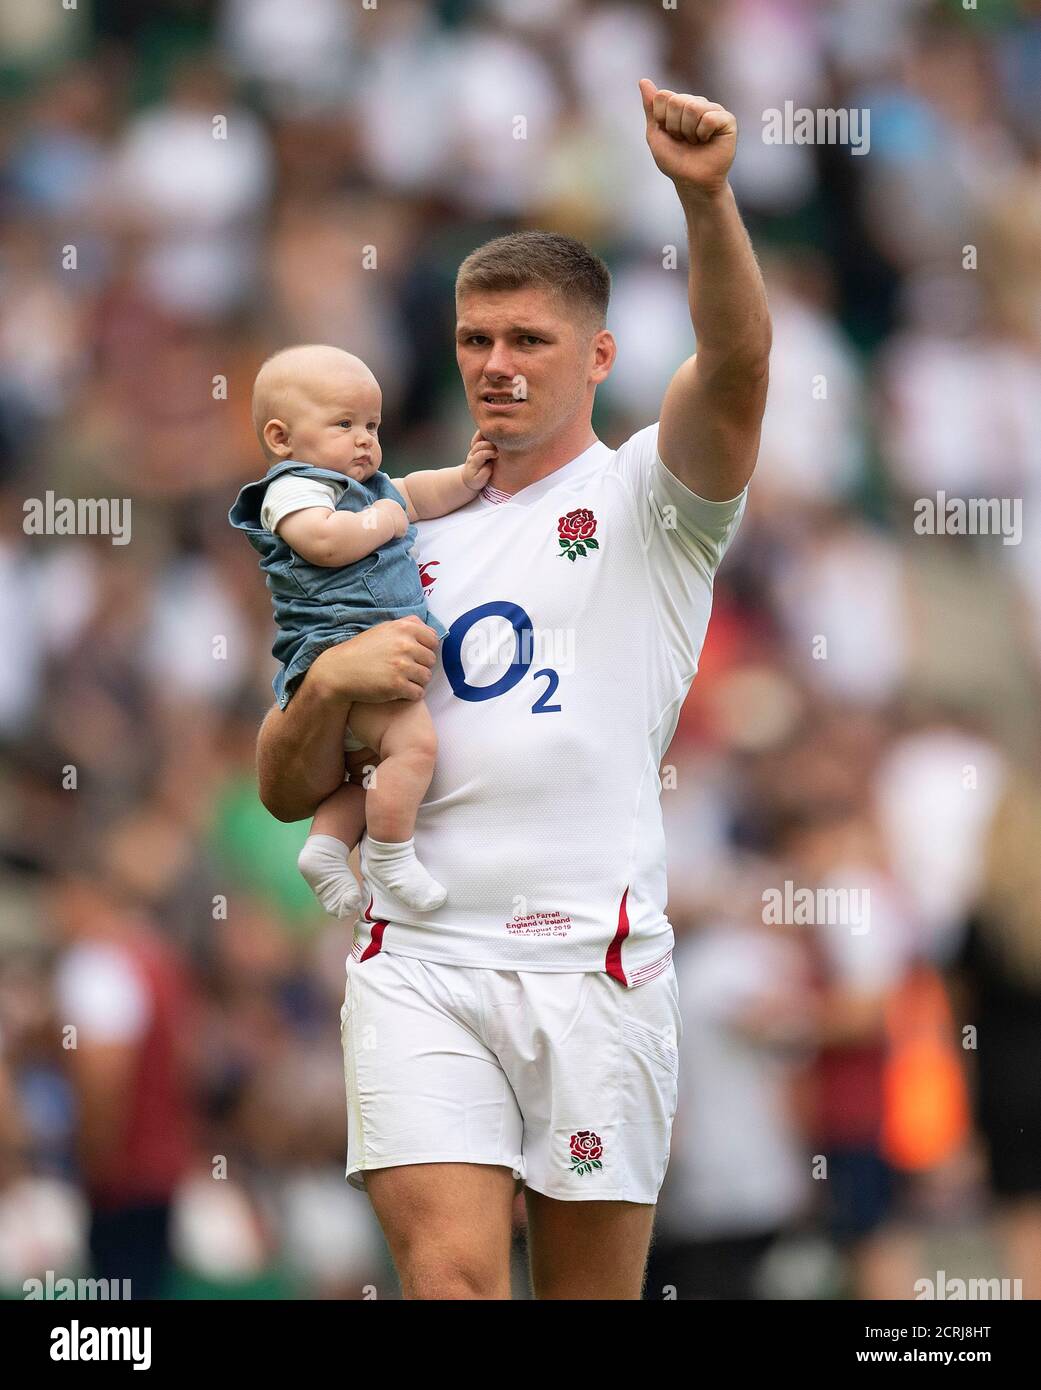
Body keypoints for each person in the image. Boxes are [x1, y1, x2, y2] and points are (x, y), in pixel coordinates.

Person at [255, 81, 771, 1300]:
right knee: (453, 1284)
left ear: (597, 354)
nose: (495, 365)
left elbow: (742, 361)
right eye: (475, 339)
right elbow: (285, 786)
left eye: (527, 340)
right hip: (421, 957)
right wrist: (329, 680)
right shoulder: (384, 528)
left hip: (594, 962)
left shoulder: (655, 499)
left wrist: (704, 199)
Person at [230, 345, 496, 915]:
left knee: (365, 775)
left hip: (369, 646)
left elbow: (420, 493)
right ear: (282, 439)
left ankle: (326, 846)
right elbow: (325, 542)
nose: (364, 440)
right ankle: (391, 857)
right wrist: (385, 518)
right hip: (341, 641)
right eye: (344, 424)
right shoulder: (294, 489)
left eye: (372, 425)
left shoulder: (372, 488)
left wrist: (465, 479)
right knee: (415, 745)